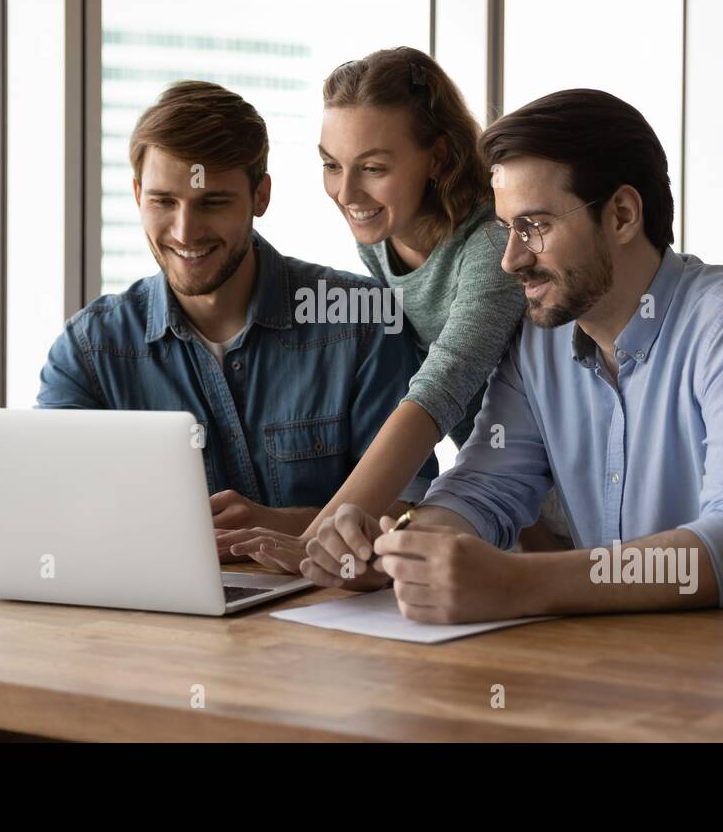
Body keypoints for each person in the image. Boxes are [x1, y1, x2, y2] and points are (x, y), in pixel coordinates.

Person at [301, 87, 723, 620]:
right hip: (647, 679)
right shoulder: (543, 344)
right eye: (506, 228)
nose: (510, 260)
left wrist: (520, 583)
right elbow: (482, 490)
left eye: (533, 227)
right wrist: (404, 549)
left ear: (622, 215)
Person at [0, 80, 435, 549]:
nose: (185, 232)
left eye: (212, 202)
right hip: (155, 630)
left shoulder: (362, 321)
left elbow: (411, 512)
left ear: (260, 196)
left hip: (323, 627)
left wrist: (281, 524)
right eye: (163, 201)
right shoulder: (92, 347)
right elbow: (59, 507)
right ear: (135, 196)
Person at [221, 47, 529, 570]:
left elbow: (438, 390)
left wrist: (313, 542)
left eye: (373, 167)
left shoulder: (490, 247)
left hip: (564, 482)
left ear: (438, 157)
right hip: (504, 488)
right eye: (330, 165)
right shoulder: (379, 240)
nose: (346, 192)